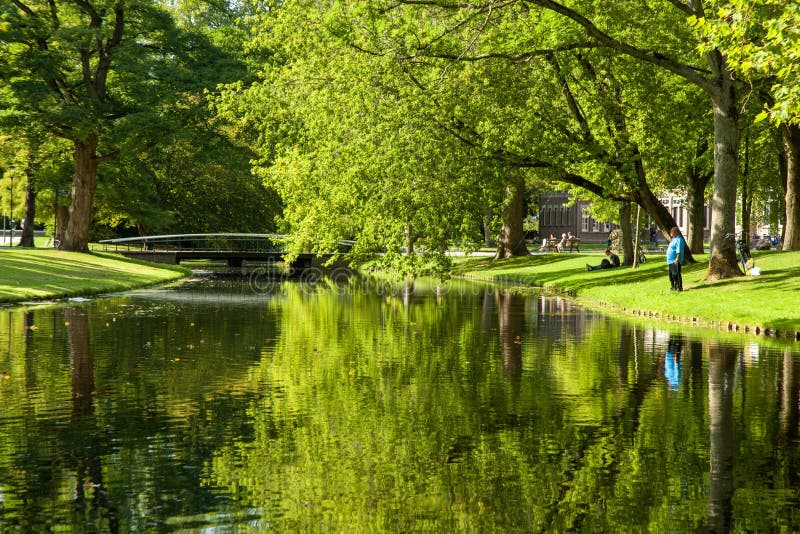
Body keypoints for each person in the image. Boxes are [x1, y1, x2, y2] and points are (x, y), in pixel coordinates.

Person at [666, 226, 685, 291]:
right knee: (671, 275)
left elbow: (679, 250)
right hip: (670, 261)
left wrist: (677, 259)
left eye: (672, 232)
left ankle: (679, 287)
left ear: (676, 232)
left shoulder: (679, 240)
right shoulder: (674, 239)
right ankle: (673, 287)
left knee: (676, 274)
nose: (670, 233)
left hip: (675, 260)